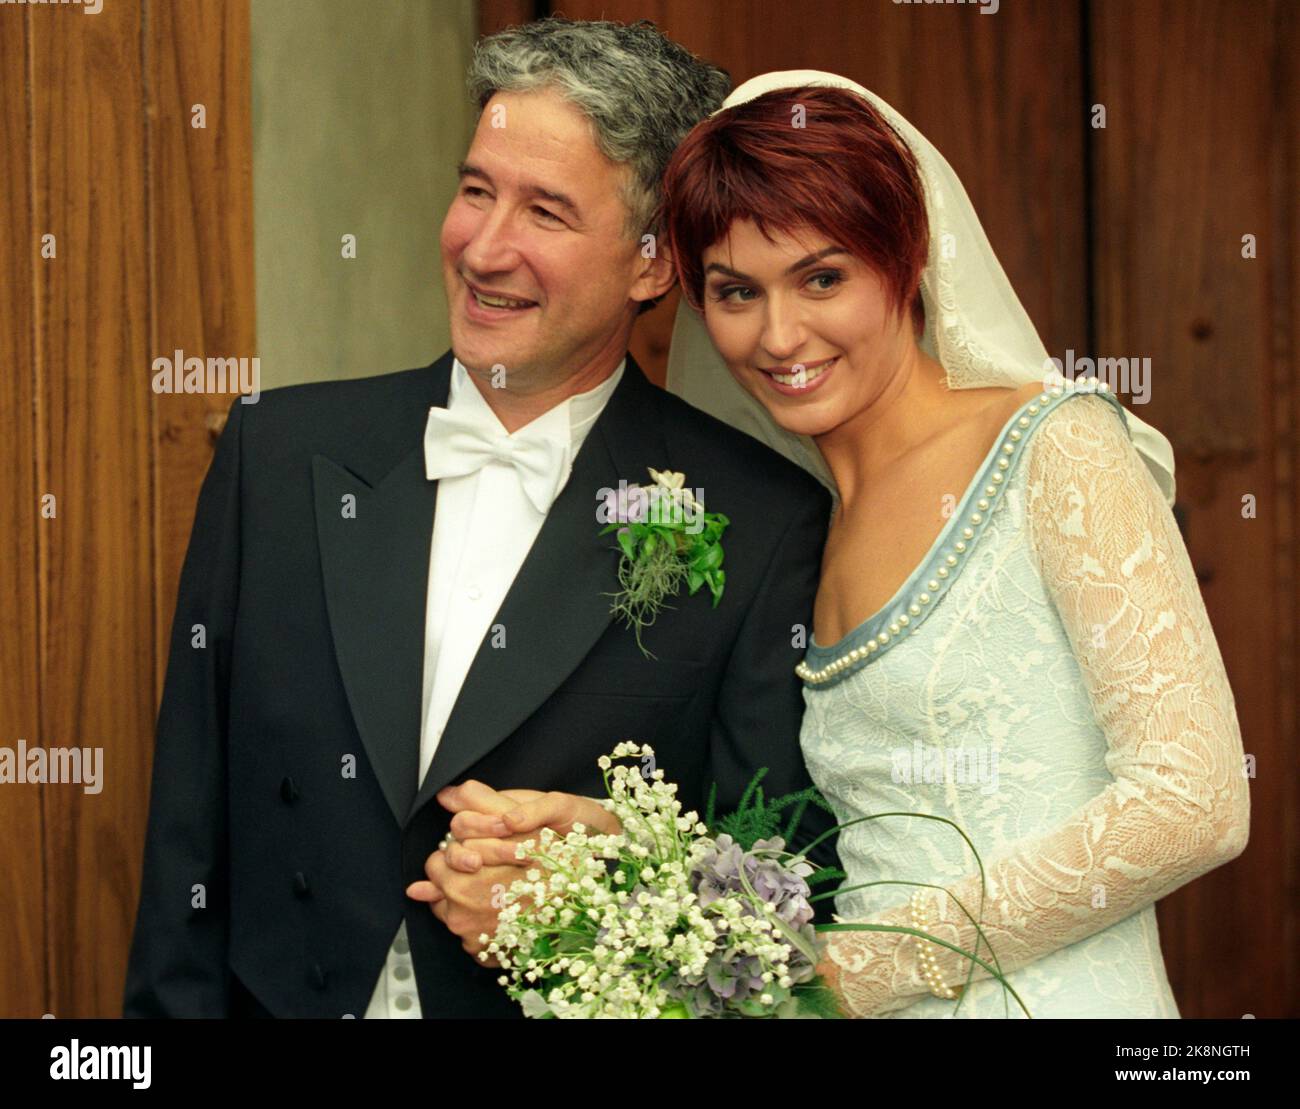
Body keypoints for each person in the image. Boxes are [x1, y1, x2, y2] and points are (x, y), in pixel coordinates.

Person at [122, 24, 839, 1020]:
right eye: (474, 190)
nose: (483, 246)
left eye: (544, 210)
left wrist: (597, 890)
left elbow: (783, 877)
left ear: (650, 263)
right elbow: (186, 834)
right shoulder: (275, 453)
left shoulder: (758, 520)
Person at [657, 71, 1251, 1017]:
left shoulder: (1054, 446)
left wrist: (861, 972)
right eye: (736, 291)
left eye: (822, 277)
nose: (780, 334)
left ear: (906, 257)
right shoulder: (801, 525)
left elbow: (1197, 802)